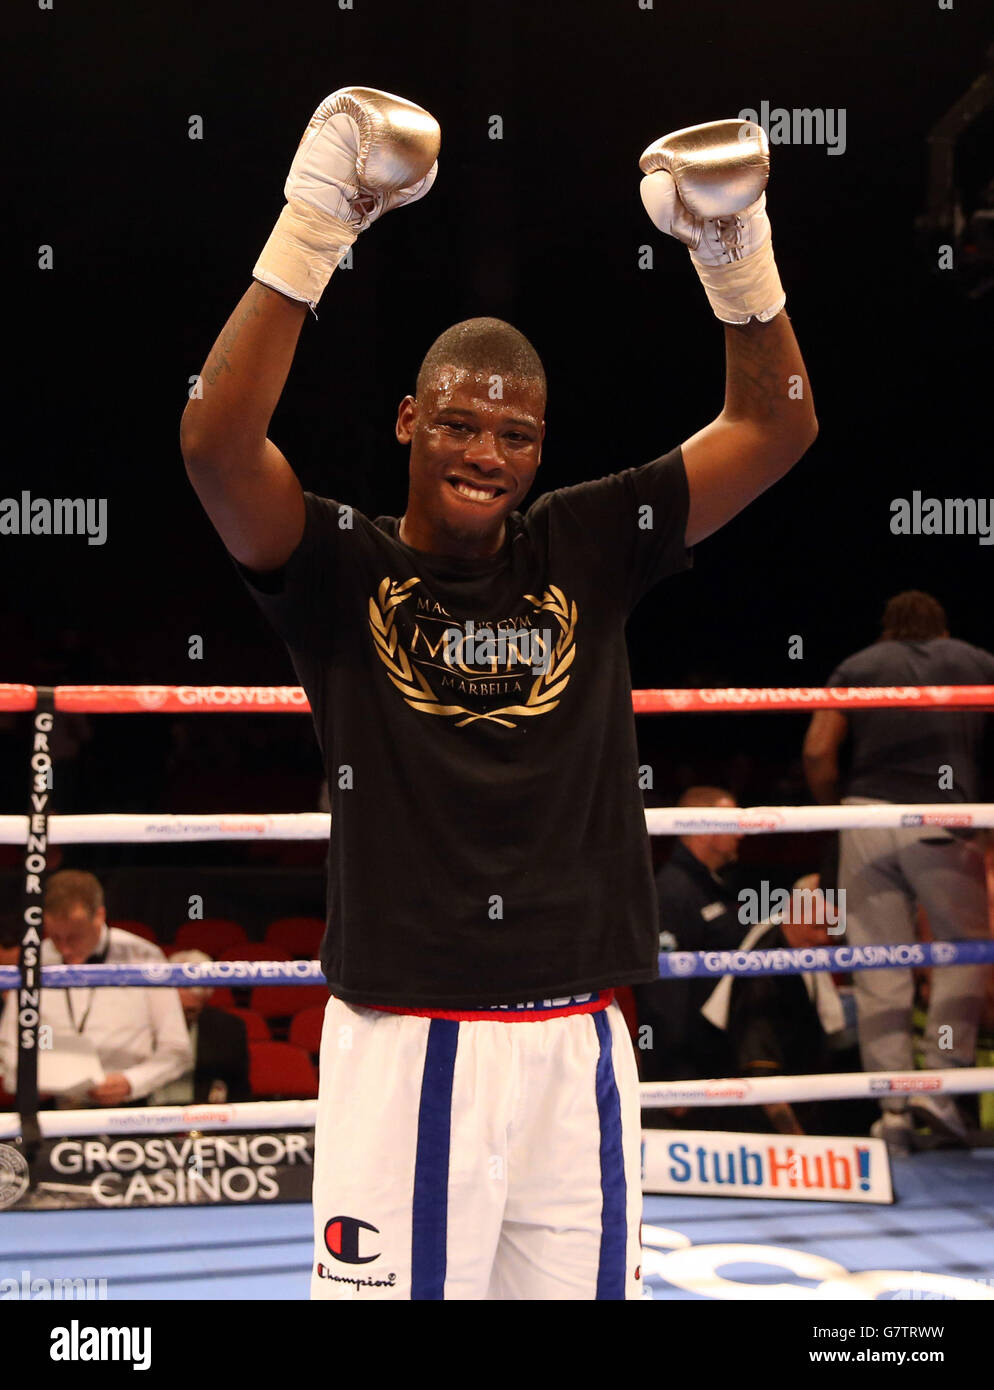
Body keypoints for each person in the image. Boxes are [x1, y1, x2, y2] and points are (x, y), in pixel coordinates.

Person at [180, 89, 817, 1300]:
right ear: (412, 422)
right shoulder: (336, 564)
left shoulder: (586, 542)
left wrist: (736, 250)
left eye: (515, 435)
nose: (486, 454)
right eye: (462, 425)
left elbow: (774, 429)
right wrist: (317, 221)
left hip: (581, 1031)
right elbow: (214, 444)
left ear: (539, 448)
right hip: (414, 1027)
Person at [803, 591, 994, 1153]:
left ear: (888, 629)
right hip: (939, 820)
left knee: (878, 963)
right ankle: (938, 1082)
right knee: (964, 951)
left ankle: (892, 1109)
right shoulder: (973, 661)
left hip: (863, 819)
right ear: (943, 628)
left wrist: (833, 809)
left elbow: (817, 751)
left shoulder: (860, 665)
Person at [0, 871, 190, 1107]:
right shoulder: (33, 960)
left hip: (128, 1111)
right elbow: (9, 1048)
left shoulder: (143, 956)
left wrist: (131, 1082)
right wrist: (28, 1080)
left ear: (99, 915)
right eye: (56, 938)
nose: (65, 948)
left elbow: (176, 1048)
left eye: (74, 937)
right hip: (51, 1111)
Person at [702, 875, 846, 1135]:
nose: (826, 938)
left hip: (802, 1114)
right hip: (762, 1135)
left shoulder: (797, 951)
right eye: (818, 926)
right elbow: (762, 1080)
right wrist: (797, 1141)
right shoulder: (762, 974)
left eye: (832, 928)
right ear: (793, 913)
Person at [633, 786, 744, 1093]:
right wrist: (671, 1073)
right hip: (689, 1066)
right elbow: (661, 990)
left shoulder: (712, 885)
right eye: (732, 824)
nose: (741, 834)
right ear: (705, 828)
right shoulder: (672, 891)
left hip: (714, 1054)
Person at [151, 950, 251, 1105]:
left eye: (190, 1011)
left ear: (205, 999)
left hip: (204, 1119)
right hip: (145, 1118)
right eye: (174, 1008)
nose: (179, 1018)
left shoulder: (229, 1029)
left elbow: (237, 1089)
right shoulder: (138, 1023)